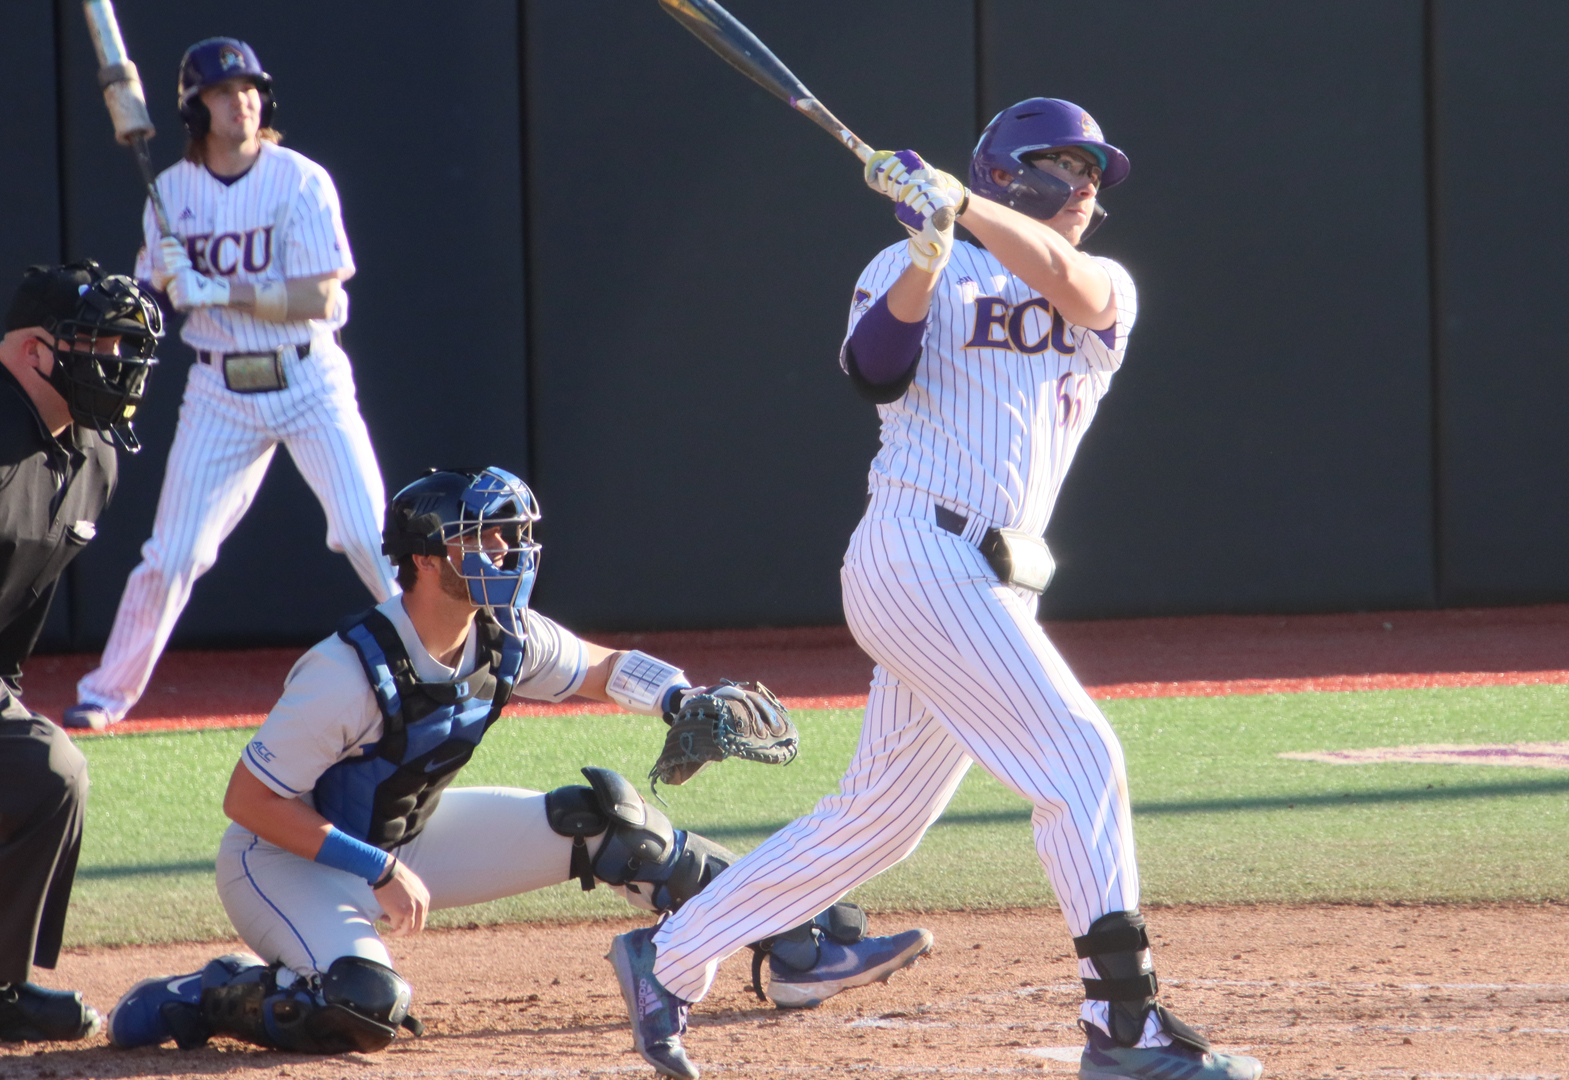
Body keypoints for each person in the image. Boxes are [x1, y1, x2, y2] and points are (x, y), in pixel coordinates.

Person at [607, 100, 1263, 1080]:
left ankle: (667, 957)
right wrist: (926, 248)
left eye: (1096, 172)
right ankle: (1125, 1024)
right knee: (1081, 758)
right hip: (921, 553)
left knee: (881, 818)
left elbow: (1071, 286)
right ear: (1008, 169)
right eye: (1066, 164)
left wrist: (962, 205)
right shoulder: (918, 262)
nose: (1088, 186)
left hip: (990, 579)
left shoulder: (1103, 282)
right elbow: (874, 370)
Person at [104, 467, 933, 1054]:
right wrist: (374, 868)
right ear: (425, 559)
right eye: (485, 539)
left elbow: (603, 667)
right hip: (285, 862)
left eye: (510, 537)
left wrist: (681, 699)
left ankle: (797, 944)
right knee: (364, 1009)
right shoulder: (346, 670)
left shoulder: (504, 635)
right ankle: (213, 992)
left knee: (611, 825)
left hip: (409, 841)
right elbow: (248, 801)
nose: (507, 552)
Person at [64, 36, 398, 732]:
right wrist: (157, 283)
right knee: (175, 553)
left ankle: (457, 666)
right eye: (223, 91)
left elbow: (319, 295)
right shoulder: (171, 196)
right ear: (195, 108)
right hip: (219, 391)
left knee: (370, 536)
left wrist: (218, 287)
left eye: (249, 87)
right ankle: (105, 695)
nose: (241, 100)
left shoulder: (300, 178)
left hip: (309, 379)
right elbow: (153, 298)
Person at [0, 262, 163, 1041]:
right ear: (34, 351)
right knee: (47, 762)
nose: (117, 360)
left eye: (122, 344)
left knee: (48, 774)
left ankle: (3, 984)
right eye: (96, 342)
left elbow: (19, 608)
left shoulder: (94, 460)